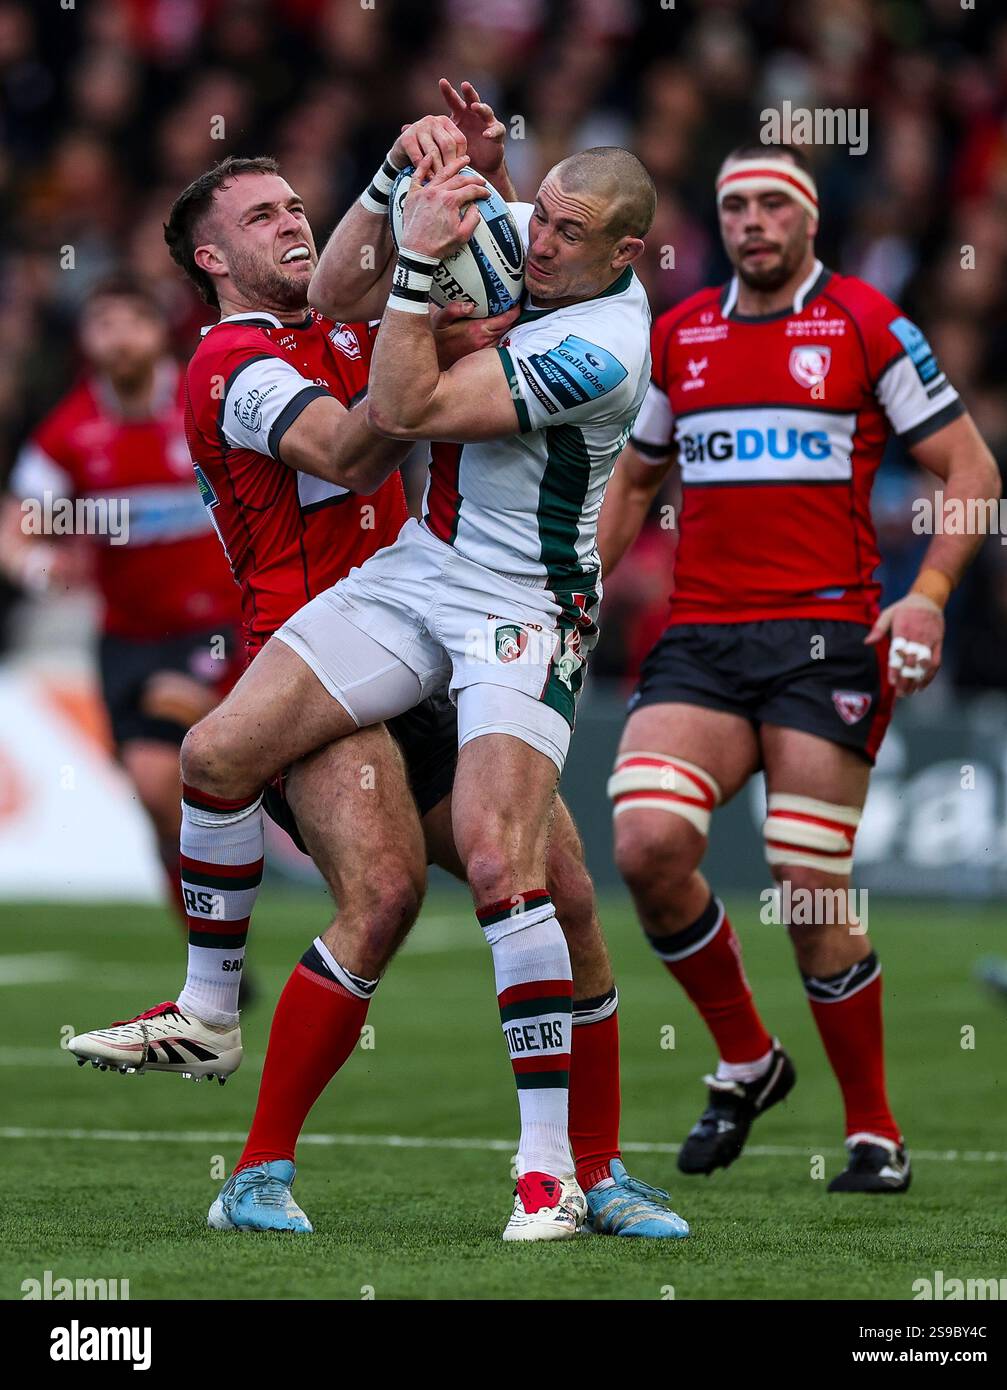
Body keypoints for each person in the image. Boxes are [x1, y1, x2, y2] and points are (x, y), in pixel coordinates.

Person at [69, 87, 686, 1243]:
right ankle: (245, 1128)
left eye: (299, 204)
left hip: (492, 610)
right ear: (213, 259)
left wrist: (415, 208)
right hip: (358, 613)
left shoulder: (557, 336)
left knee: (555, 891)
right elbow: (360, 446)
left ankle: (577, 1172)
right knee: (371, 880)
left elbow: (376, 316)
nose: (294, 225)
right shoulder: (233, 364)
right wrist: (419, 240)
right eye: (263, 218)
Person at [596, 140, 1001, 1194]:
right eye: (733, 206)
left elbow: (969, 466)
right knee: (644, 845)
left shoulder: (868, 323)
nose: (751, 222)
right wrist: (578, 588)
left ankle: (873, 1132)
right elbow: (635, 482)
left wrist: (926, 594)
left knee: (806, 885)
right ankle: (747, 1057)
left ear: (809, 219)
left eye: (772, 203)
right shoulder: (679, 336)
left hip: (826, 638)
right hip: (700, 639)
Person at [0, 277, 243, 930]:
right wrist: (43, 566)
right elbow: (17, 527)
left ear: (156, 330)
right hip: (126, 638)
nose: (116, 337)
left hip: (217, 628)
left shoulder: (205, 403)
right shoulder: (72, 433)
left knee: (169, 756)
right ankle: (205, 934)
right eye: (101, 324)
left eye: (128, 321)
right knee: (152, 792)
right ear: (87, 340)